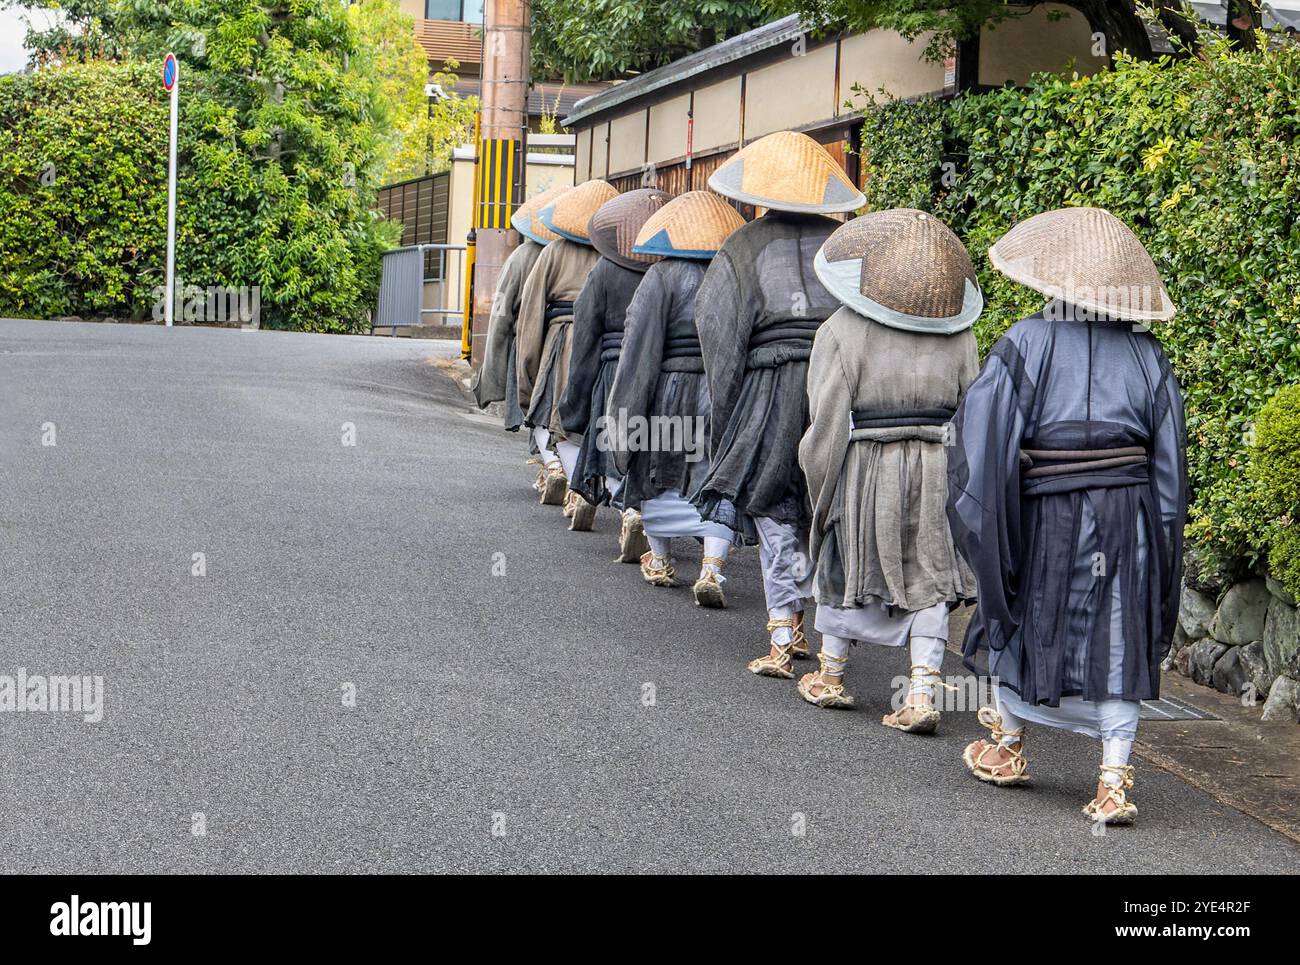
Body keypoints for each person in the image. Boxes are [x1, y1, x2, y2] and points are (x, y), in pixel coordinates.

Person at [947, 206, 1187, 825]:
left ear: (1056, 277)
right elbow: (1170, 468)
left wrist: (990, 515)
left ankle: (1008, 745)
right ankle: (1112, 782)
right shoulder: (1148, 355)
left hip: (1044, 509)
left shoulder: (1027, 339)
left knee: (1022, 607)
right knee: (1121, 632)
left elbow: (982, 436)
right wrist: (1161, 539)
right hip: (1127, 514)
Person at [691, 131, 865, 673]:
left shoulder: (741, 247)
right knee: (829, 502)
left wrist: (728, 413)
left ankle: (784, 631)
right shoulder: (847, 245)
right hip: (836, 380)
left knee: (771, 506)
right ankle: (828, 634)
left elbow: (716, 331)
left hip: (767, 387)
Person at [797, 210, 980, 728]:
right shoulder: (960, 336)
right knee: (930, 570)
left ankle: (832, 673)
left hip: (865, 464)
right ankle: (921, 691)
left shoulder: (840, 330)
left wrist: (820, 489)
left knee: (846, 558)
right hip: (937, 464)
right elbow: (974, 414)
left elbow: (825, 422)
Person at [605, 191, 746, 604]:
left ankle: (662, 560)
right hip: (721, 391)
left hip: (669, 390)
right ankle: (712, 568)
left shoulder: (661, 276)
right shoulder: (733, 276)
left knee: (658, 475)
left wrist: (624, 412)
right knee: (715, 478)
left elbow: (639, 348)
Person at [558, 188, 672, 539]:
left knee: (610, 439)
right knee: (650, 441)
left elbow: (587, 331)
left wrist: (575, 399)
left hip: (611, 370)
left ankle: (625, 506)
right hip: (661, 371)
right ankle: (640, 508)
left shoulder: (605, 270)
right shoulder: (672, 270)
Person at [516, 180, 615, 505]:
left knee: (546, 410)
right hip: (602, 343)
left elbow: (530, 314)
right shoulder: (612, 257)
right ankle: (590, 485)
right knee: (591, 415)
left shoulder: (553, 252)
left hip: (559, 342)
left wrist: (526, 377)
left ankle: (558, 468)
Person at [470, 185, 568, 494]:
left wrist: (491, 370)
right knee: (561, 407)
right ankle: (563, 468)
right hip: (569, 341)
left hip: (529, 341)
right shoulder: (580, 254)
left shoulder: (521, 257)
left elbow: (500, 313)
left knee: (534, 405)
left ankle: (552, 465)